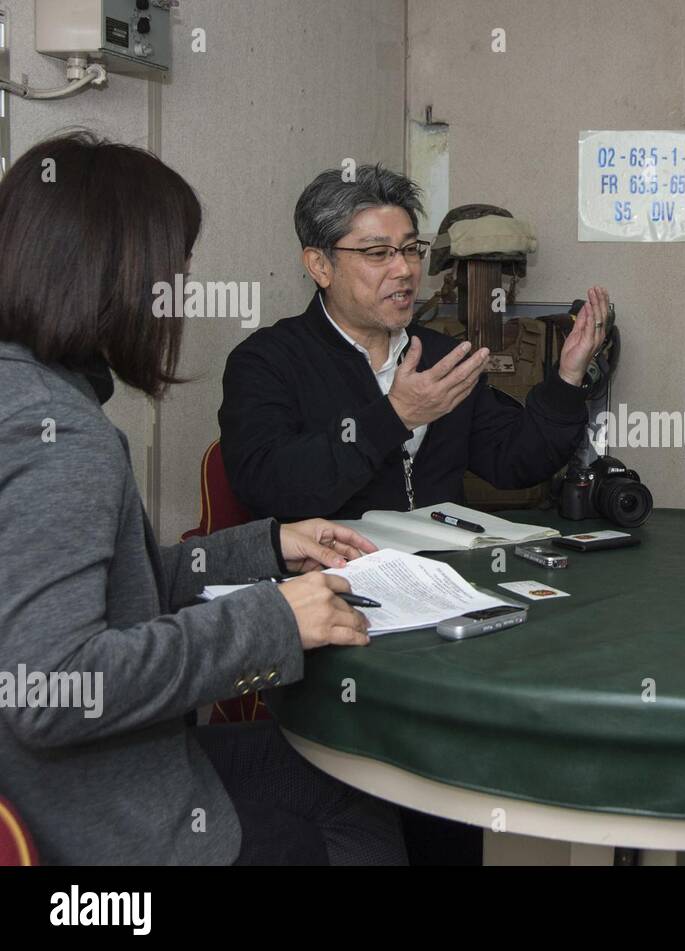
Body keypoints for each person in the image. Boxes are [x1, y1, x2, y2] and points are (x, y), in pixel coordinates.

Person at [0, 132, 405, 865]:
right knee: (360, 784)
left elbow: (73, 597)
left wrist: (263, 547)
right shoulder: (59, 435)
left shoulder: (22, 398)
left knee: (346, 780)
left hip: (54, 789)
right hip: (100, 825)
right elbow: (52, 688)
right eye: (173, 272)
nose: (180, 295)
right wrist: (271, 616)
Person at [219, 165, 609, 522]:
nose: (404, 269)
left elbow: (513, 463)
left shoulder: (441, 356)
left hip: (441, 575)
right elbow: (268, 489)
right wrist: (396, 415)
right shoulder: (267, 361)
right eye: (377, 253)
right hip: (327, 584)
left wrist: (567, 377)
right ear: (320, 266)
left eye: (409, 249)